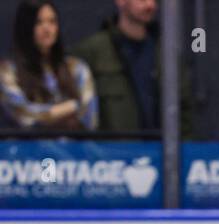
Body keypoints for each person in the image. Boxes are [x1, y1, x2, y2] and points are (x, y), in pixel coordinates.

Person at [72, 0, 192, 135]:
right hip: (112, 152)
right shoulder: (93, 52)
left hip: (163, 151)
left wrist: (185, 147)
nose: (150, 5)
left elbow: (184, 109)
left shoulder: (166, 54)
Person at [0, 1, 96, 130]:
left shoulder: (77, 68)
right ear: (25, 27)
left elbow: (89, 119)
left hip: (73, 147)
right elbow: (24, 116)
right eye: (38, 22)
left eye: (52, 21)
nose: (47, 28)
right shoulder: (7, 71)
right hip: (28, 148)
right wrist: (69, 107)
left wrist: (47, 117)